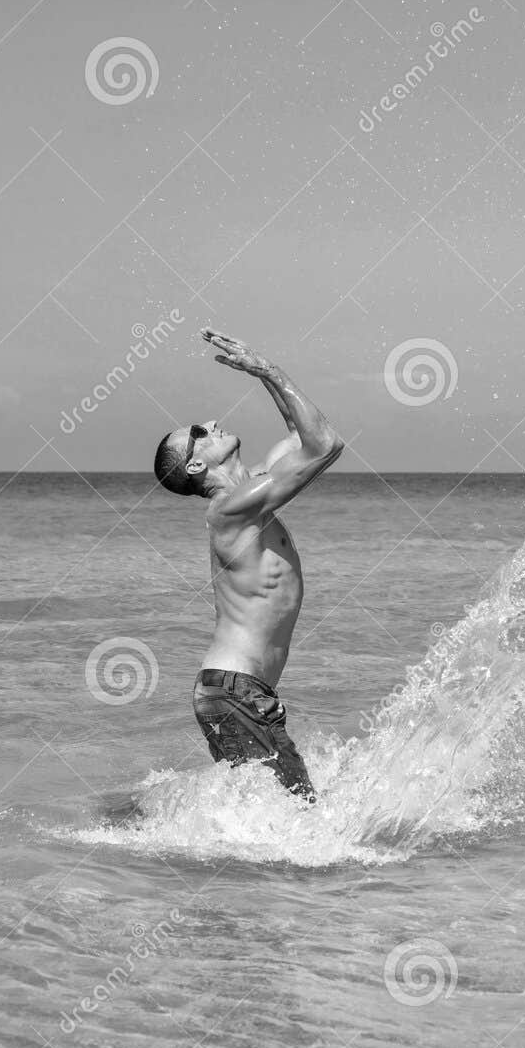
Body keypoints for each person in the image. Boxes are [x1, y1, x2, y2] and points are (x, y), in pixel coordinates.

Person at [152, 329, 344, 801]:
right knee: (300, 816)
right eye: (198, 434)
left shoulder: (254, 486)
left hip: (240, 692)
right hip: (234, 692)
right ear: (195, 468)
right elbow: (325, 446)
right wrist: (268, 372)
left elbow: (306, 434)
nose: (211, 422)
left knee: (282, 820)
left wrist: (264, 369)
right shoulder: (230, 510)